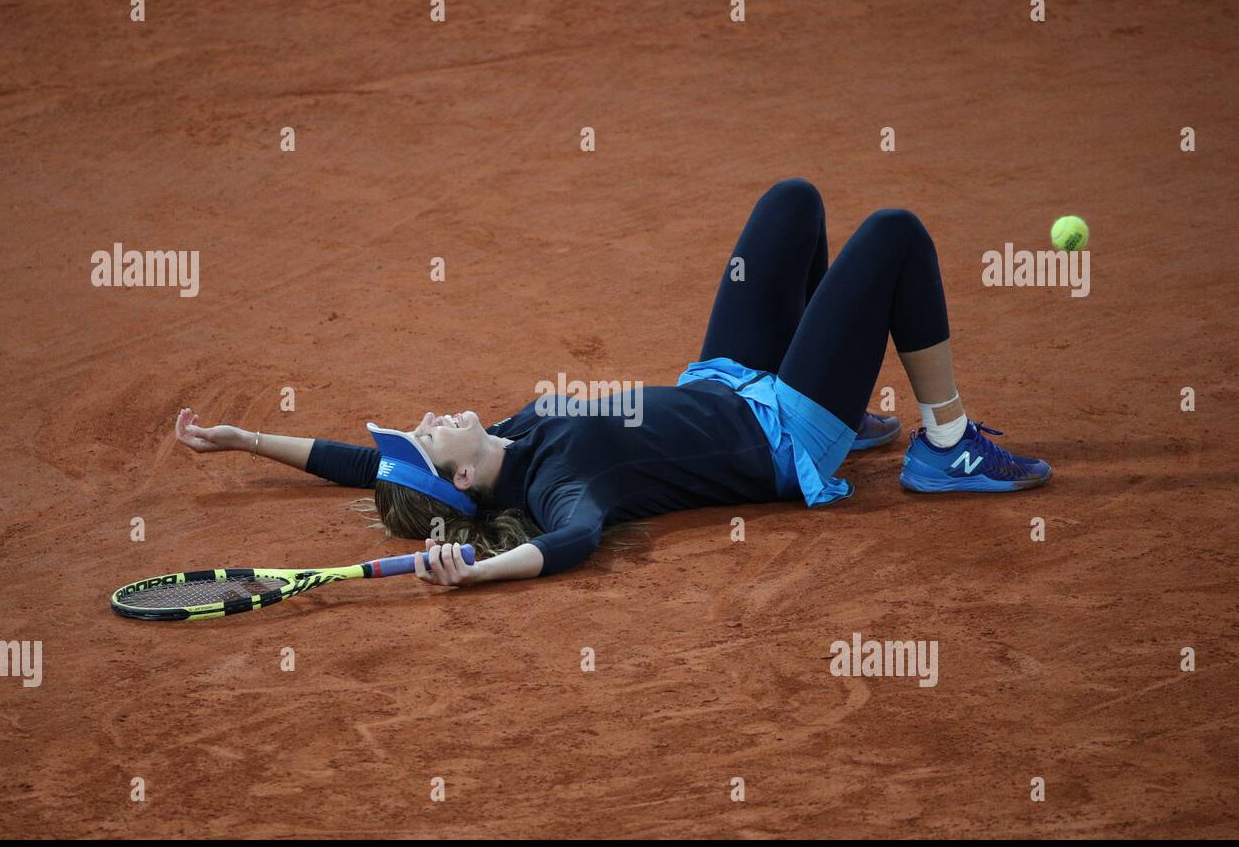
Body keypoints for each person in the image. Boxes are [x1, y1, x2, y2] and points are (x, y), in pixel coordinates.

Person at [175, 179, 1050, 588]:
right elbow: (574, 544)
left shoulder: (512, 434)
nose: (428, 419)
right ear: (465, 478)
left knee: (793, 204)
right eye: (427, 438)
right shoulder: (561, 486)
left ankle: (839, 390)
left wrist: (250, 440)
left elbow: (367, 469)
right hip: (785, 433)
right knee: (894, 232)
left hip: (729, 380)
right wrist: (473, 574)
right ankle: (944, 444)